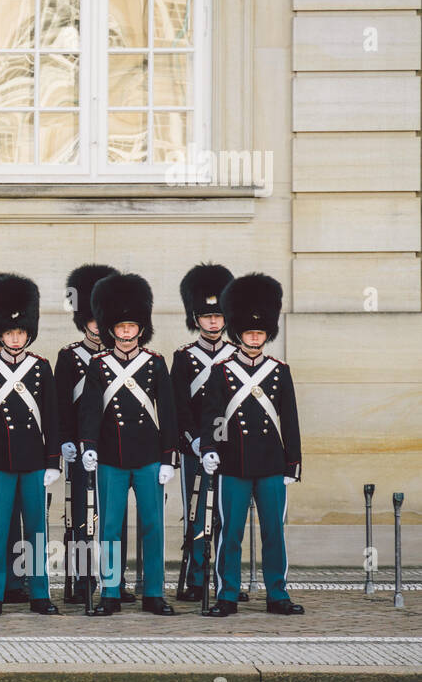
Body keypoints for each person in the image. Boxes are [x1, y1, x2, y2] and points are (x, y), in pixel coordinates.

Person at [199, 273, 304, 617]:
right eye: (249, 332)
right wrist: (212, 448)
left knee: (274, 533)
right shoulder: (223, 370)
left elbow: (289, 419)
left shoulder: (279, 371)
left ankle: (278, 594)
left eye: (260, 332)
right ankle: (227, 594)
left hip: (272, 465)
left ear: (266, 334)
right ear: (240, 334)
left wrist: (293, 464)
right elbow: (214, 414)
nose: (255, 337)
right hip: (235, 465)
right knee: (231, 535)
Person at [78, 272, 178, 616]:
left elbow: (167, 412)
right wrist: (88, 444)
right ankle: (109, 591)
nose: (125, 331)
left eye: (131, 326)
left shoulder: (155, 363)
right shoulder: (98, 365)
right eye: (120, 326)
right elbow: (90, 409)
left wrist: (169, 457)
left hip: (149, 456)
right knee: (109, 528)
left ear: (140, 328)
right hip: (110, 457)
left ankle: (153, 592)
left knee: (153, 526)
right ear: (111, 329)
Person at [0, 274, 61, 615]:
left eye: (20, 332)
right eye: (9, 332)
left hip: (34, 461)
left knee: (37, 529)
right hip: (0, 462)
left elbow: (51, 418)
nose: (16, 337)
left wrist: (53, 461)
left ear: (28, 333)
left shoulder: (41, 368)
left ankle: (40, 593)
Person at [170, 263, 235, 602]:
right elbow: (178, 406)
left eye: (218, 316)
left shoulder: (236, 357)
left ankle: (227, 581)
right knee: (197, 515)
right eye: (207, 316)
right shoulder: (183, 358)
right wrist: (192, 440)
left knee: (228, 516)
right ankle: (197, 578)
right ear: (196, 318)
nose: (213, 322)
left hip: (230, 448)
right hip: (195, 448)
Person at [54, 264, 119, 603]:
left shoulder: (121, 358)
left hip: (114, 448)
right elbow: (61, 406)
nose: (96, 326)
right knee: (80, 516)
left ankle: (113, 581)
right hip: (80, 448)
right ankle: (81, 579)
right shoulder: (69, 357)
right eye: (91, 320)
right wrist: (65, 440)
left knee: (112, 518)